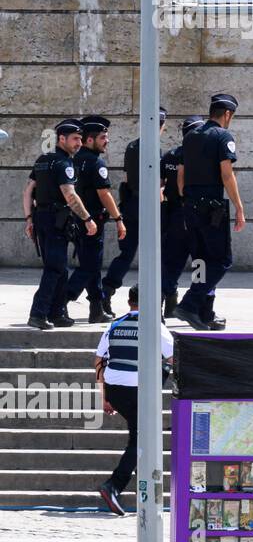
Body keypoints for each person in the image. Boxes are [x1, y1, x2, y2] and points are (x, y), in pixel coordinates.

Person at [93, 285, 175, 515]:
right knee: (142, 438)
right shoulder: (154, 326)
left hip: (116, 390)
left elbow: (98, 361)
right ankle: (114, 486)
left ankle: (132, 488)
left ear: (129, 302)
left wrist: (105, 397)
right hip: (140, 389)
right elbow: (174, 358)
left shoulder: (115, 325)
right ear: (155, 304)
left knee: (139, 435)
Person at [175, 94, 246, 330]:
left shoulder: (191, 137)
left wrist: (187, 199)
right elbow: (227, 174)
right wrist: (239, 206)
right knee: (222, 260)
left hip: (190, 205)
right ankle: (190, 304)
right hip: (211, 208)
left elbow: (181, 175)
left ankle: (205, 313)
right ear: (227, 114)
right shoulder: (222, 136)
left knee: (200, 261)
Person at [23, 119, 97, 330]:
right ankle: (38, 314)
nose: (79, 143)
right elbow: (70, 195)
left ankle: (57, 313)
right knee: (55, 268)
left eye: (81, 139)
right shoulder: (64, 164)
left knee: (61, 268)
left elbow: (28, 191)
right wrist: (87, 219)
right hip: (56, 221)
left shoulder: (42, 160)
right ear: (61, 139)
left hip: (42, 219)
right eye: (75, 139)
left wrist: (29, 219)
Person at [102, 108, 166, 313]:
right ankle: (161, 300)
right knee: (158, 255)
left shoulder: (131, 146)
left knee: (126, 254)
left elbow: (129, 179)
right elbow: (156, 184)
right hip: (150, 208)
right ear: (161, 127)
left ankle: (107, 290)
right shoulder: (154, 149)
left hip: (131, 206)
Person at [66, 116, 127, 323]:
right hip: (92, 221)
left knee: (90, 264)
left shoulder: (72, 159)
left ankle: (96, 309)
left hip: (76, 220)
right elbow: (104, 194)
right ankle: (60, 301)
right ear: (89, 140)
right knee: (90, 266)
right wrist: (119, 218)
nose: (106, 141)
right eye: (103, 137)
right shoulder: (95, 162)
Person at [160, 115, 204, 317]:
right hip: (193, 217)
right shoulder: (199, 157)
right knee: (200, 262)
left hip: (174, 218)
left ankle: (166, 303)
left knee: (171, 263)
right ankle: (200, 304)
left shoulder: (169, 156)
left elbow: (159, 186)